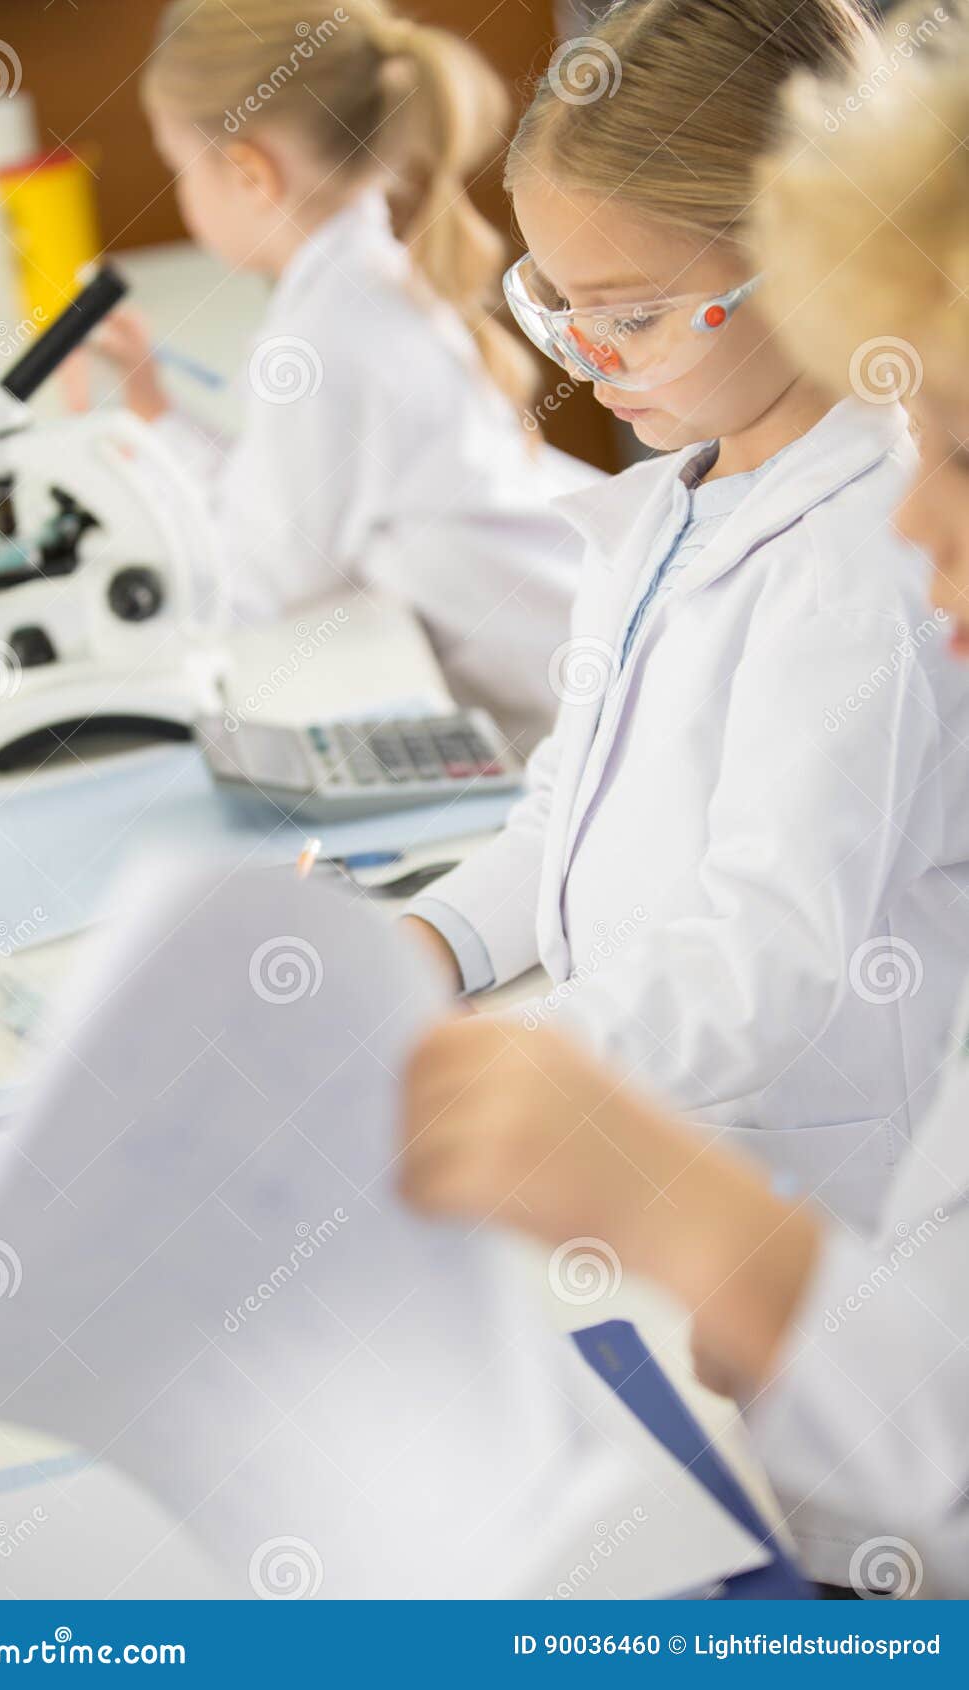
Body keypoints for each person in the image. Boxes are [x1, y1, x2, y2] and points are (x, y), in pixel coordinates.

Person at [402, 1, 969, 1599]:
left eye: (630, 315)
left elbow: (768, 955)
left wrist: (504, 1069)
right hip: (650, 1168)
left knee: (808, 1555)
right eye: (554, 304)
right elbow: (555, 818)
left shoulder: (866, 554)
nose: (580, 356)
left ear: (801, 259)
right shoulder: (666, 502)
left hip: (803, 1207)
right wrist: (426, 945)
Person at [67, 0, 589, 747]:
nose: (182, 195)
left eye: (179, 167)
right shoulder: (360, 284)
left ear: (250, 171)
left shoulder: (325, 343)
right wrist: (155, 411)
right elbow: (275, 505)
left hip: (562, 711)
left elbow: (260, 585)